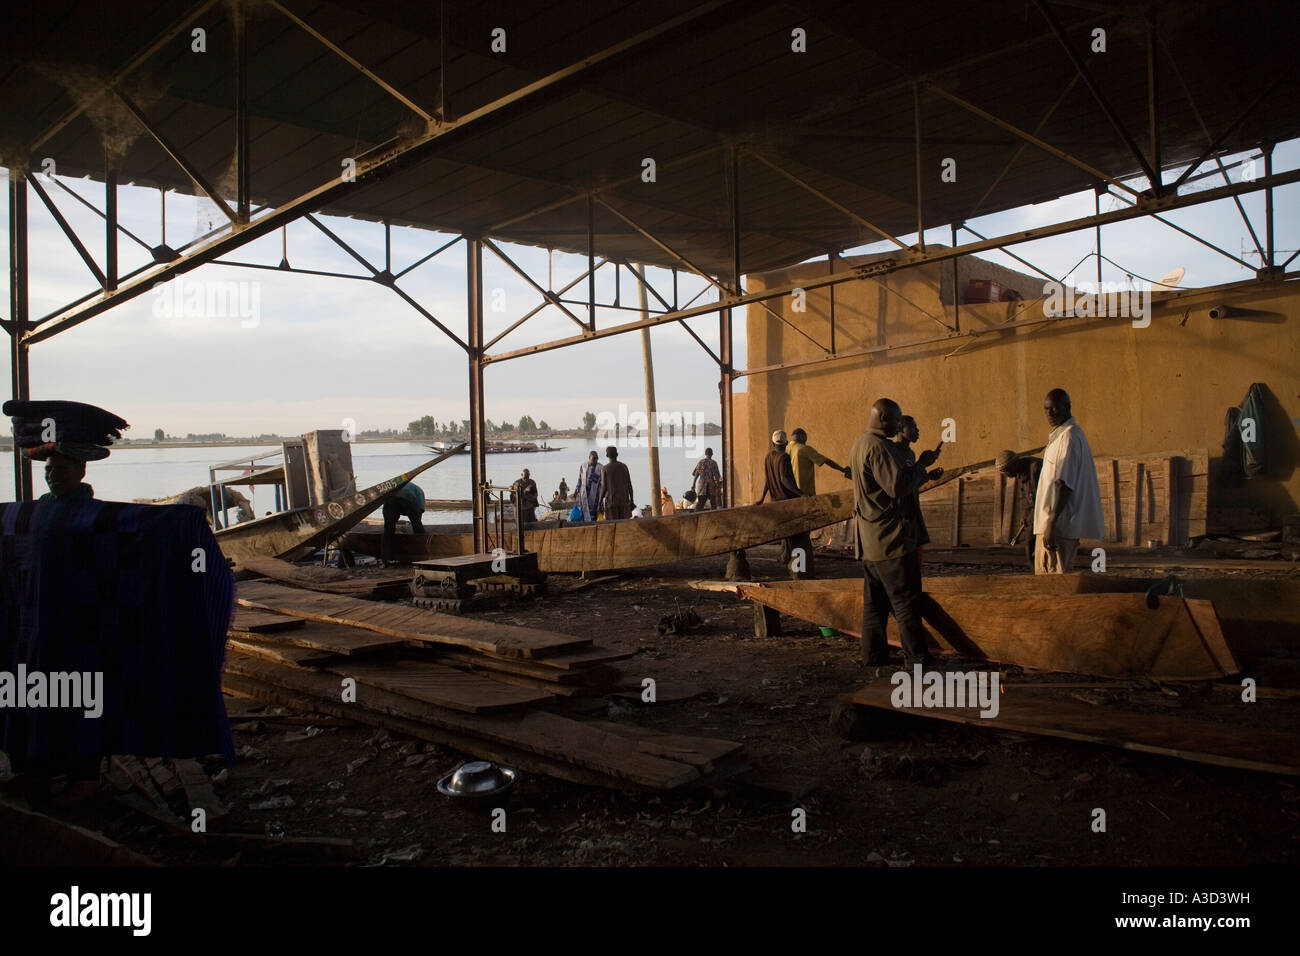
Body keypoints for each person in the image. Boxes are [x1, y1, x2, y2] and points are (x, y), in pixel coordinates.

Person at [849, 399, 943, 667]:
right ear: (886, 418)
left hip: (869, 543)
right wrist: (922, 466)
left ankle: (873, 655)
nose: (899, 425)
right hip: (891, 542)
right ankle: (917, 661)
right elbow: (898, 487)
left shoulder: (859, 445)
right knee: (905, 604)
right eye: (897, 420)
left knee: (874, 606)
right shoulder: (880, 447)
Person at [1034, 389, 1105, 574]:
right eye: (1046, 409)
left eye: (1054, 409)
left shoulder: (1069, 437)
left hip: (1058, 529)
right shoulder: (1060, 437)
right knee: (1045, 586)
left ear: (1067, 407)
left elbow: (1063, 484)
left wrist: (1051, 523)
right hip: (1053, 526)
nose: (1049, 413)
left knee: (1055, 587)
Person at [756, 429, 814, 578]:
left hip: (775, 501)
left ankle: (787, 560)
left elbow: (767, 480)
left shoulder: (768, 457)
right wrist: (801, 494)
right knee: (796, 537)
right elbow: (784, 479)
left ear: (772, 443)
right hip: (787, 501)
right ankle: (797, 570)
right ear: (787, 443)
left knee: (787, 537)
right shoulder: (784, 457)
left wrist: (762, 498)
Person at [892, 416, 943, 559]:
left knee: (915, 557)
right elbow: (900, 485)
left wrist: (927, 477)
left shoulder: (910, 454)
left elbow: (911, 483)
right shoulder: (893, 452)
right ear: (901, 429)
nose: (918, 431)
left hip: (911, 511)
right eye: (913, 427)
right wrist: (921, 464)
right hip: (900, 514)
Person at [997, 449, 1044, 572]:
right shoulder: (1020, 473)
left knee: (1036, 544)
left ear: (1014, 464)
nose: (1006, 475)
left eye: (1006, 470)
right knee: (1029, 544)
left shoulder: (1034, 469)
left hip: (1046, 512)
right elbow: (1028, 499)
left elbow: (1041, 498)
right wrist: (1025, 517)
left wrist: (1030, 518)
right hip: (1035, 513)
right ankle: (1036, 572)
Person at [786, 428, 851, 496]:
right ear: (801, 437)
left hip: (790, 492)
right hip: (804, 492)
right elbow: (826, 460)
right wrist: (842, 469)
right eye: (805, 438)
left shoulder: (786, 449)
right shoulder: (804, 449)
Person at [381, 479, 426, 564]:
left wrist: (392, 518)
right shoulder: (420, 493)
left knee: (388, 530)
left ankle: (386, 559)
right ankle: (423, 555)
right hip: (407, 497)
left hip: (390, 497)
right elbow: (419, 511)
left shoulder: (411, 487)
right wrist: (416, 522)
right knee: (417, 526)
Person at [599, 446, 635, 520]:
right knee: (624, 524)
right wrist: (632, 500)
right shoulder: (624, 467)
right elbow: (629, 485)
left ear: (607, 456)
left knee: (613, 524)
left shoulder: (604, 469)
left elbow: (604, 487)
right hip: (624, 501)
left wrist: (599, 502)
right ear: (617, 454)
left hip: (611, 502)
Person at [574, 450, 603, 521]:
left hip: (595, 496)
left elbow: (603, 483)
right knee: (583, 512)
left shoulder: (601, 468)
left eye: (596, 458)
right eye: (593, 459)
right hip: (584, 494)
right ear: (589, 458)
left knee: (594, 513)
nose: (595, 461)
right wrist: (576, 491)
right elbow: (580, 480)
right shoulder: (583, 466)